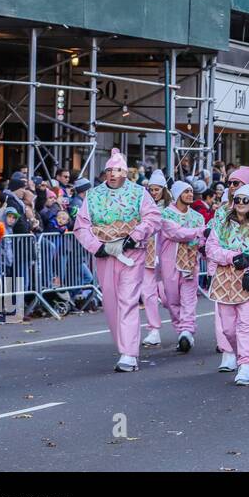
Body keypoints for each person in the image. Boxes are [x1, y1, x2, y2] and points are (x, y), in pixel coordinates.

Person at [73, 149, 163, 372]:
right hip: (105, 254)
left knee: (128, 299)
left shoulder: (139, 193)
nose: (113, 174)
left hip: (131, 253)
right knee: (111, 303)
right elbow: (81, 225)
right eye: (109, 170)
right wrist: (98, 247)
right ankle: (123, 346)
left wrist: (134, 237)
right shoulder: (93, 195)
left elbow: (153, 217)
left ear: (126, 172)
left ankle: (129, 354)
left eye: (118, 170)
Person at [204, 184, 249, 386]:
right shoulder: (223, 223)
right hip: (224, 282)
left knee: (246, 325)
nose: (241, 203)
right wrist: (233, 257)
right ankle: (241, 355)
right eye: (237, 200)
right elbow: (211, 248)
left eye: (246, 200)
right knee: (228, 330)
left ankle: (246, 366)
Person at [156, 180, 206, 353]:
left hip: (191, 265)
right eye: (186, 192)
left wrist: (200, 238)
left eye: (191, 191)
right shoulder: (166, 215)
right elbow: (176, 233)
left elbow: (202, 241)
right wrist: (199, 232)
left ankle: (186, 331)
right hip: (170, 264)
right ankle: (182, 332)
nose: (190, 194)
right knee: (171, 301)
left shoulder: (197, 217)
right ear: (177, 194)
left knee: (189, 299)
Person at [139, 170, 171, 347]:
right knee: (148, 293)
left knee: (168, 296)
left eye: (157, 189)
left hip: (165, 256)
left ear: (163, 190)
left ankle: (183, 326)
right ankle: (154, 330)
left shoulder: (170, 208)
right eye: (151, 189)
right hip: (147, 256)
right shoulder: (143, 207)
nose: (153, 192)